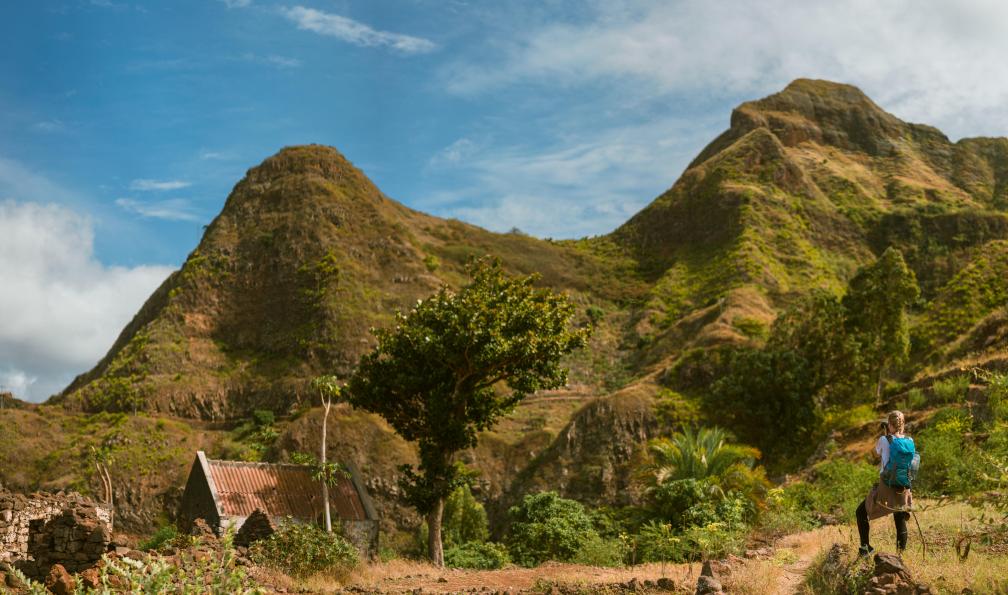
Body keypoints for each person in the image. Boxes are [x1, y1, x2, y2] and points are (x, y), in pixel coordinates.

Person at [855, 410, 913, 556]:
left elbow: (878, 452)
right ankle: (901, 555)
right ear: (903, 424)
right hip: (903, 486)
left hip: (887, 485)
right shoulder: (910, 441)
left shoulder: (884, 440)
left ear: (889, 425)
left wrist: (886, 433)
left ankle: (865, 548)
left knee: (861, 512)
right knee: (899, 520)